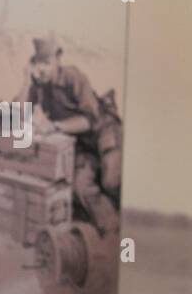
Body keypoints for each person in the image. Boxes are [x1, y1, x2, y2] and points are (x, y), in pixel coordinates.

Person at [16, 35, 119, 237]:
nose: (42, 69)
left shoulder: (74, 78)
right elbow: (21, 114)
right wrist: (26, 82)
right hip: (79, 144)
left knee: (107, 181)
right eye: (38, 63)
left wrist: (54, 126)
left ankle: (115, 229)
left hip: (102, 135)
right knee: (70, 184)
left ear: (58, 60)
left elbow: (90, 120)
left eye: (47, 62)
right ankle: (101, 226)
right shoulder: (39, 86)